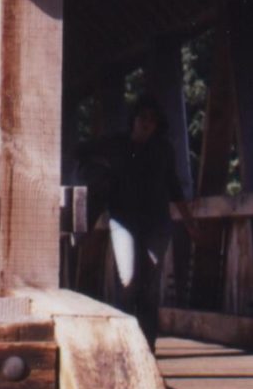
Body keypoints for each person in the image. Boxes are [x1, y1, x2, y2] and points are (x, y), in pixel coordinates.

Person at [76, 95, 187, 347]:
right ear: (133, 120)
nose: (146, 123)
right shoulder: (115, 144)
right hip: (123, 220)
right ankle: (123, 343)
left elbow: (174, 187)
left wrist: (190, 222)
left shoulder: (163, 150)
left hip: (157, 223)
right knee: (127, 279)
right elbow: (79, 153)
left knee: (148, 287)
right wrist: (100, 172)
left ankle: (147, 349)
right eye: (142, 117)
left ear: (157, 125)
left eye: (152, 120)